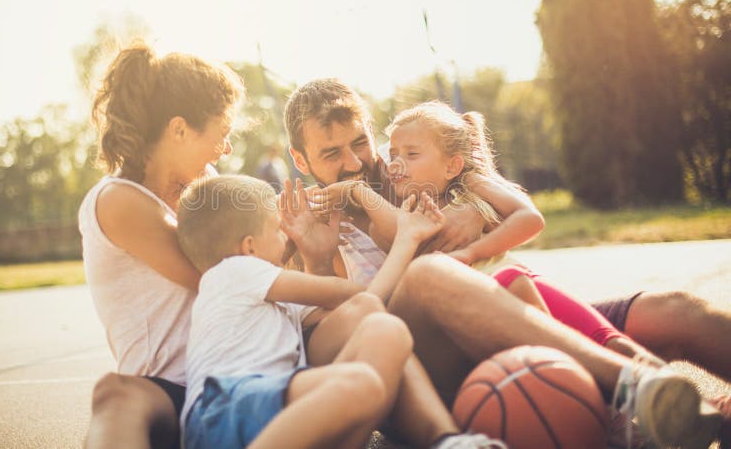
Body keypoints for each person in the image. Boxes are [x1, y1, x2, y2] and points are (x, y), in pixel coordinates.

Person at [283, 78, 726, 448]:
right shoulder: (308, 221)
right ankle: (633, 385)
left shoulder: (403, 168)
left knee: (672, 310)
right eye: (331, 154)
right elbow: (340, 331)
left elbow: (495, 192)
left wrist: (474, 209)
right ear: (300, 160)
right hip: (430, 359)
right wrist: (318, 260)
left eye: (359, 142)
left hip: (506, 307)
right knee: (431, 274)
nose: (353, 161)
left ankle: (682, 407)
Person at [176, 174, 505, 449]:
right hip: (226, 407)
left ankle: (448, 442)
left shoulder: (268, 297)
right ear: (248, 247)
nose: (286, 236)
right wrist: (407, 239)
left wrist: (311, 250)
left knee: (386, 332)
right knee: (361, 382)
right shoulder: (233, 271)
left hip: (275, 407)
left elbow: (364, 305)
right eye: (278, 229)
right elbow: (351, 293)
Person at [312, 100, 647, 359]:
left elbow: (530, 218)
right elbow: (392, 232)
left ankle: (678, 405)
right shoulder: (404, 211)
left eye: (410, 154)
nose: (396, 164)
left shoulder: (468, 182)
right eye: (393, 155)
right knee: (561, 363)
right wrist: (355, 192)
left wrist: (473, 251)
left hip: (516, 282)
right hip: (482, 307)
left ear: (452, 164)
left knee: (608, 344)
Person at [79, 43, 245, 448]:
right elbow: (213, 275)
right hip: (167, 390)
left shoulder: (203, 185)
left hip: (234, 377)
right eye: (222, 134)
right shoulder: (117, 200)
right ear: (179, 130)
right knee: (116, 394)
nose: (226, 149)